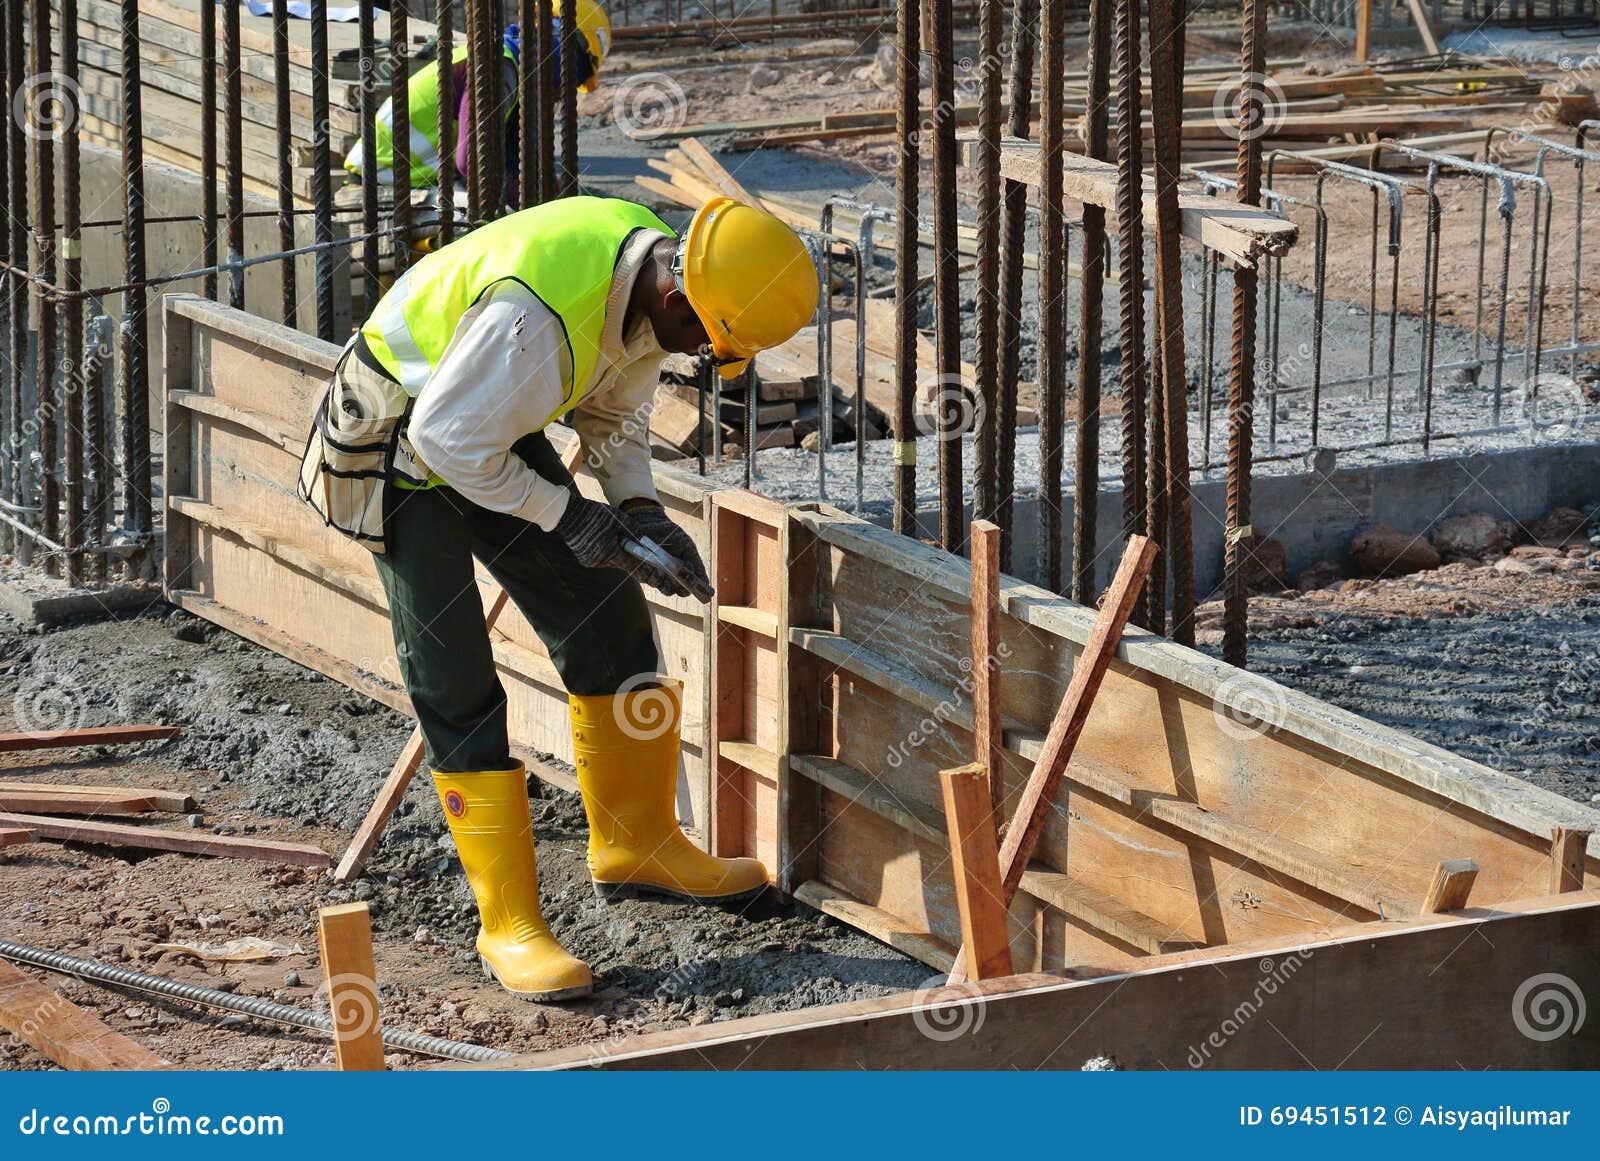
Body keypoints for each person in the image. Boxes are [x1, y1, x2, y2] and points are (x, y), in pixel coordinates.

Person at [298, 194, 818, 1001]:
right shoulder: (536, 321)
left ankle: (637, 843)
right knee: (454, 674)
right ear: (678, 298)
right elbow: (442, 439)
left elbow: (612, 412)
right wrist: (569, 515)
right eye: (705, 344)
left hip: (482, 418)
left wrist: (639, 508)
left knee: (606, 617)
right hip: (401, 437)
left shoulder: (653, 284)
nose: (697, 357)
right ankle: (507, 923)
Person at [343, 0, 611, 210]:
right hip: (384, 188)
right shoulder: (498, 68)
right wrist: (533, 210)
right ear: (563, 50)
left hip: (413, 184)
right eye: (575, 77)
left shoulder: (514, 72)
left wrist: (567, 204)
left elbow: (525, 162)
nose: (563, 93)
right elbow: (472, 165)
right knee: (499, 228)